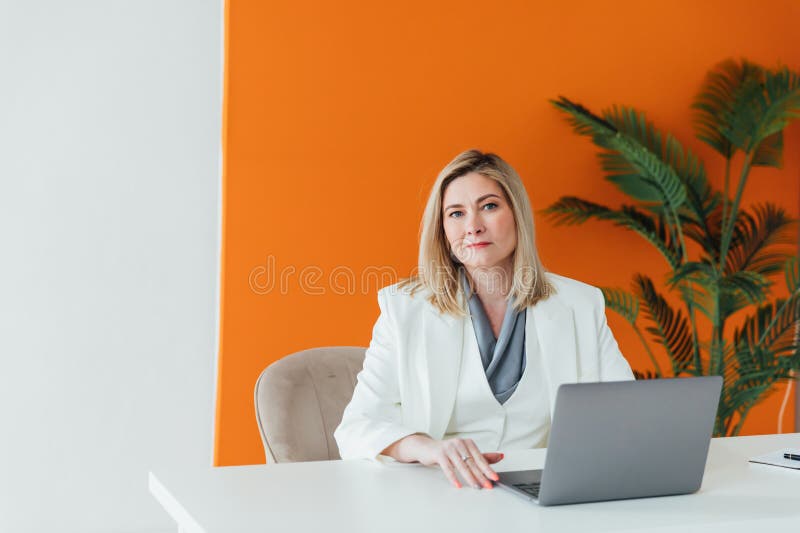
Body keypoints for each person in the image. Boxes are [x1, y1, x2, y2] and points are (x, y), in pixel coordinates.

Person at [333, 149, 634, 490]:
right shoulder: (404, 309)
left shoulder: (580, 304)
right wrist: (428, 448)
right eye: (456, 213)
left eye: (489, 206)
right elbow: (357, 427)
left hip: (546, 492)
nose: (473, 226)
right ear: (443, 230)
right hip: (441, 492)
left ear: (516, 214)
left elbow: (624, 414)